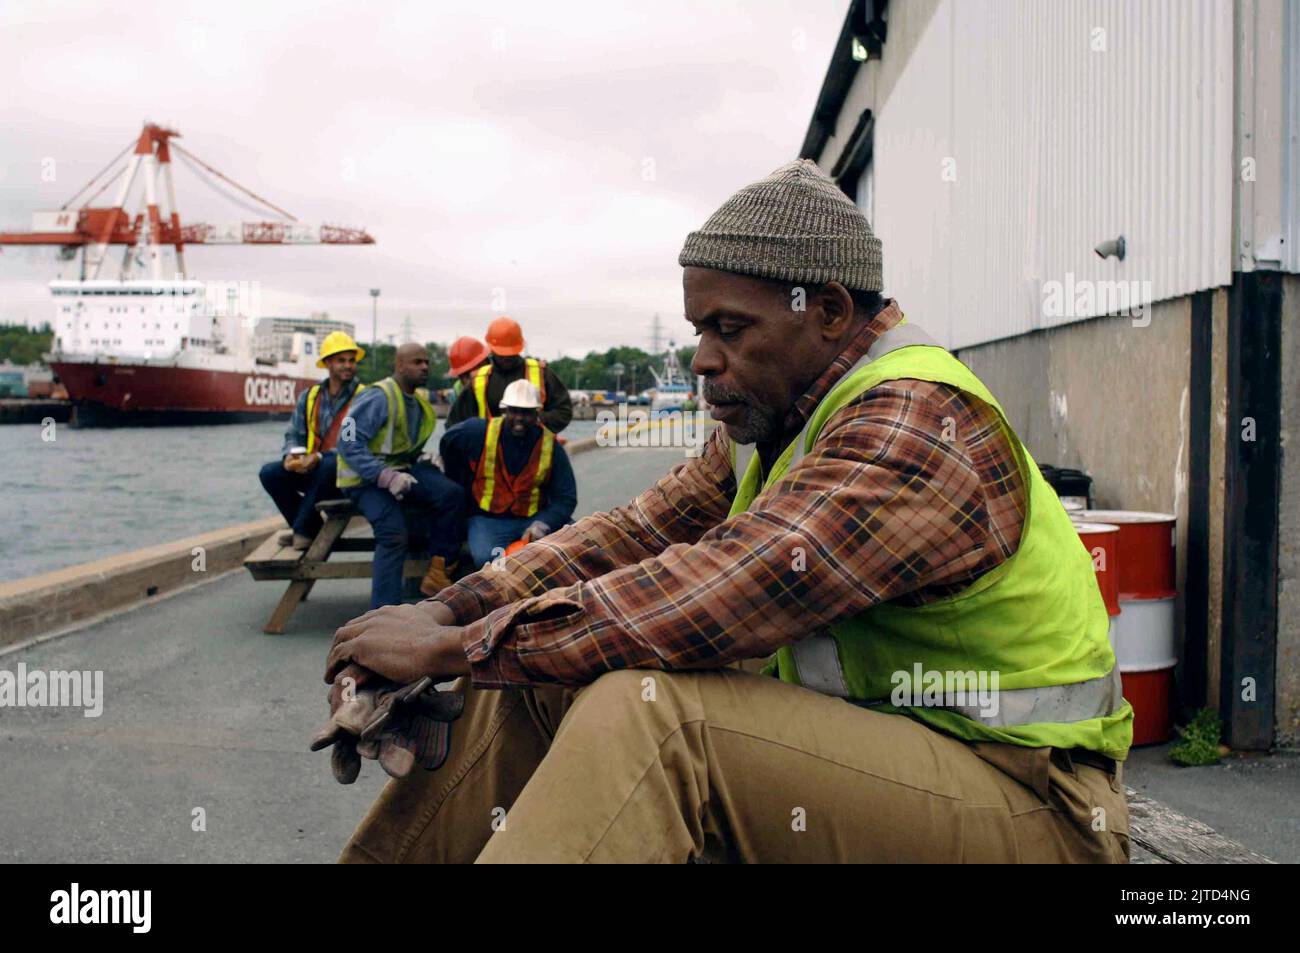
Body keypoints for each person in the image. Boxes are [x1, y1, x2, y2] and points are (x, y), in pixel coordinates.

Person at [324, 159, 1133, 864]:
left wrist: (459, 646)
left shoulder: (914, 424)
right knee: (537, 676)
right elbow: (631, 535)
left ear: (828, 312)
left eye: (729, 327)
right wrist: (442, 613)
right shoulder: (777, 416)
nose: (703, 358)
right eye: (698, 328)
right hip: (905, 764)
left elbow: (715, 593)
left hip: (1035, 809)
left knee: (654, 717)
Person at [336, 342, 467, 609]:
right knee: (393, 535)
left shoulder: (418, 404)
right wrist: (384, 477)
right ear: (399, 366)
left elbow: (400, 447)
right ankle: (384, 614)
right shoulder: (378, 396)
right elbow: (347, 441)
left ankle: (437, 573)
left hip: (400, 470)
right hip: (363, 481)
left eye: (427, 362)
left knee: (450, 494)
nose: (425, 367)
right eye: (417, 362)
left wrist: (422, 458)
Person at [440, 380, 577, 567]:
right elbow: (448, 441)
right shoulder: (478, 432)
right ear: (505, 411)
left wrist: (543, 524)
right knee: (486, 558)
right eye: (514, 411)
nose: (519, 417)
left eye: (526, 412)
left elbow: (566, 498)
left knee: (573, 545)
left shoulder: (550, 445)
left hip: (532, 518)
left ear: (536, 413)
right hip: (489, 520)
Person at [258, 331, 366, 550]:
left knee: (329, 463)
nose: (348, 365)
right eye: (341, 360)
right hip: (316, 473)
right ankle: (308, 528)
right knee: (269, 473)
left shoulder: (363, 398)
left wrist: (317, 457)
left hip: (348, 475)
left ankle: (303, 531)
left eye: (351, 360)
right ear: (327, 363)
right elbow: (294, 433)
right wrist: (291, 455)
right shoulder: (310, 396)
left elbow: (351, 445)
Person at [445, 316, 573, 433]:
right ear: (491, 349)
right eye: (501, 354)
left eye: (510, 354)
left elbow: (564, 411)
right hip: (492, 455)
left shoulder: (541, 374)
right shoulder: (479, 380)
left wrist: (534, 420)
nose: (506, 358)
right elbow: (454, 425)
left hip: (534, 452)